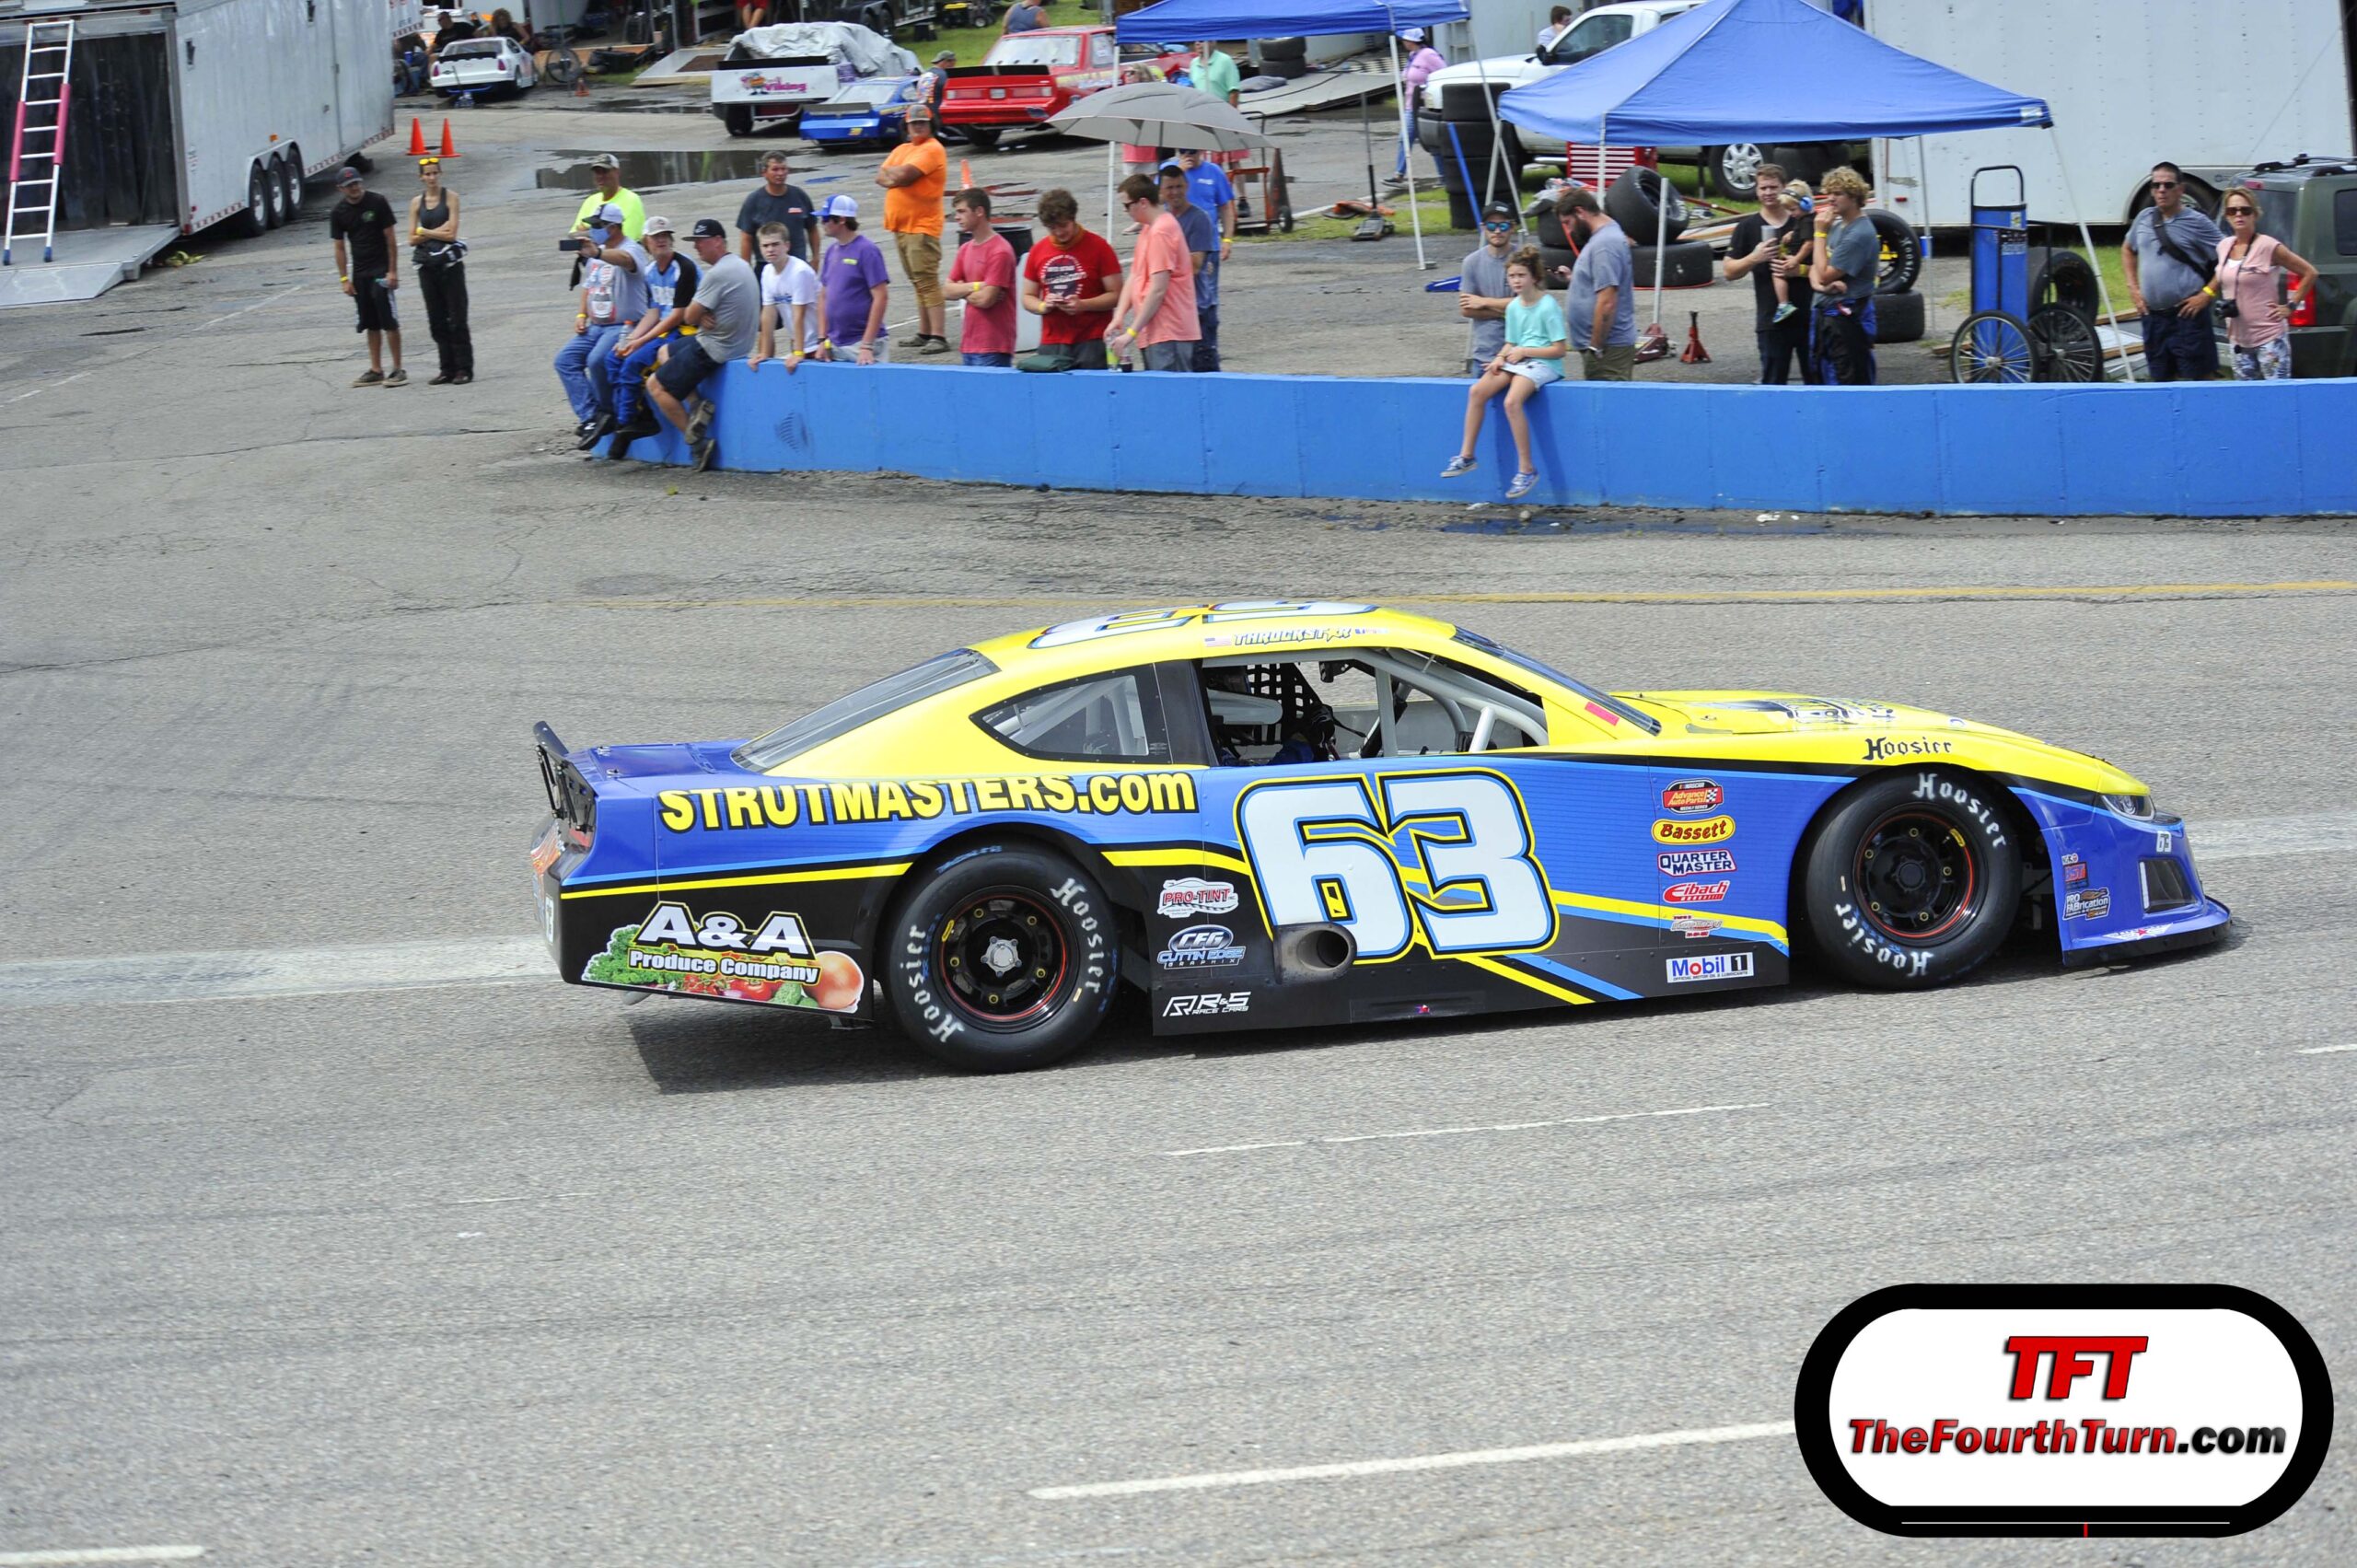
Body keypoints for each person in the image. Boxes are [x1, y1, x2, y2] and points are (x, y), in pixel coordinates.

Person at [1443, 248, 1564, 501]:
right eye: (1512, 276)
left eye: (1521, 275)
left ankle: (1527, 470)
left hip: (1543, 363)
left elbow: (1559, 350)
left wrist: (1523, 351)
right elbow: (1511, 342)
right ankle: (1467, 456)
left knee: (1512, 402)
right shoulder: (1514, 308)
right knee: (1477, 391)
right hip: (1518, 359)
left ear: (1534, 277)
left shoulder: (1548, 306)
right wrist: (1500, 357)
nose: (1516, 281)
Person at [647, 219, 759, 472]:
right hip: (734, 342)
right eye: (694, 243)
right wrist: (703, 313)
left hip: (715, 348)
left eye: (701, 241)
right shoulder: (740, 265)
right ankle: (698, 405)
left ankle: (698, 443)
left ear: (718, 240)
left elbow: (689, 317)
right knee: (665, 351)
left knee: (655, 386)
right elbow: (698, 315)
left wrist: (702, 313)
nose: (697, 247)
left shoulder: (717, 273)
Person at [601, 216, 700, 457]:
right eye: (656, 237)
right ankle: (639, 414)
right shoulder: (650, 271)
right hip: (663, 328)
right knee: (613, 359)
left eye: (665, 235)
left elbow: (676, 316)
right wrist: (630, 339)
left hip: (684, 331)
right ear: (646, 242)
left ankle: (625, 424)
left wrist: (640, 341)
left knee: (634, 362)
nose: (662, 240)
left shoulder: (683, 268)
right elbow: (654, 311)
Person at [2123, 161, 2226, 381]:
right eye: (2156, 185)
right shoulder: (2144, 218)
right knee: (2160, 383)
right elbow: (2128, 249)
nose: (2161, 190)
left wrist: (2207, 294)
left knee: (2200, 382)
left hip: (2187, 317)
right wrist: (2133, 288)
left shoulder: (2197, 222)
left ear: (2181, 189)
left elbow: (2229, 257)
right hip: (2153, 318)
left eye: (2168, 185)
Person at [556, 201, 648, 434]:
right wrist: (581, 314)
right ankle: (591, 415)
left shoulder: (631, 248)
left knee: (596, 360)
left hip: (624, 326)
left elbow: (626, 261)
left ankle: (610, 413)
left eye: (598, 225)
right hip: (596, 326)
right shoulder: (596, 249)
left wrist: (598, 252)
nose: (593, 229)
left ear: (614, 227)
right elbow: (589, 285)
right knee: (564, 361)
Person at [1723, 163, 1817, 384]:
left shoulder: (1803, 219)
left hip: (1810, 317)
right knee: (1773, 385)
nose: (1768, 192)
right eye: (1763, 188)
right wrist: (1754, 258)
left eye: (1773, 187)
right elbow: (1728, 272)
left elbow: (1828, 267)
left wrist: (1799, 270)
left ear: (1784, 188)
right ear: (1756, 190)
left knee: (1817, 382)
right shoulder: (1747, 227)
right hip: (1772, 322)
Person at [2215, 192, 2316, 381]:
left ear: (2254, 214)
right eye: (2232, 211)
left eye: (2245, 210)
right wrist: (2207, 292)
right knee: (2247, 400)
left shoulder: (2268, 246)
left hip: (2269, 338)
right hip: (2238, 340)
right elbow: (2222, 276)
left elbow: (2310, 273)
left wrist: (2290, 306)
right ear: (2227, 216)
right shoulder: (2223, 246)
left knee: (2278, 397)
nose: (2239, 215)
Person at [1019, 186, 1122, 370]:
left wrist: (1083, 305)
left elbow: (1116, 295)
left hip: (1092, 338)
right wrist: (1044, 306)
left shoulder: (1099, 247)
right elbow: (1027, 297)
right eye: (1052, 228)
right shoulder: (1038, 251)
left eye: (1063, 225)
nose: (1059, 232)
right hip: (1052, 341)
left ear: (1073, 218)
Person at [1107, 173, 1199, 371]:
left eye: (1126, 205)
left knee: (1171, 397)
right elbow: (1135, 275)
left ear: (1142, 203)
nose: (1125, 211)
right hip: (1155, 331)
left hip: (1169, 331)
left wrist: (1131, 332)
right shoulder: (1149, 229)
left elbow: (1158, 289)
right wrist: (1119, 316)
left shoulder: (1161, 232)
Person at [877, 107, 949, 354]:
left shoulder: (932, 148)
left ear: (931, 124)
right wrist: (895, 176)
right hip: (902, 227)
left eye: (923, 123)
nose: (918, 127)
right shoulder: (902, 149)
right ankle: (925, 332)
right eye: (913, 123)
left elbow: (906, 175)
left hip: (922, 226)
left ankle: (938, 336)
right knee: (917, 282)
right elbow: (880, 176)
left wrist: (895, 176)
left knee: (926, 281)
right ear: (906, 126)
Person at [328, 166, 405, 388]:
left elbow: (390, 238)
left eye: (357, 183)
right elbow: (340, 247)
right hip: (360, 273)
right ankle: (376, 369)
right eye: (350, 185)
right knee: (370, 322)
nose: (355, 188)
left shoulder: (377, 202)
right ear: (340, 188)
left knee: (388, 320)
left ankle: (398, 369)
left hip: (380, 270)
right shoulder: (338, 213)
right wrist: (344, 279)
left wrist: (393, 271)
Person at [1807, 164, 1877, 385]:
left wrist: (1819, 233)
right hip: (1825, 312)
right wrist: (1821, 287)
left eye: (1838, 193)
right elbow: (1814, 269)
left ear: (1855, 196)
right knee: (1821, 373)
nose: (1831, 199)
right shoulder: (1838, 227)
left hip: (1847, 318)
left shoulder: (1859, 233)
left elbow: (1825, 273)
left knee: (1847, 379)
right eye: (1829, 193)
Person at [1560, 184, 1636, 381]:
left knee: (1608, 408)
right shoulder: (1604, 237)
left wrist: (1596, 346)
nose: (1568, 230)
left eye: (1568, 222)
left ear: (1580, 212)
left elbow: (1608, 302)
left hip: (1608, 350)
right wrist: (1574, 279)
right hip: (1604, 348)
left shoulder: (1605, 244)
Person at [407, 156, 471, 385]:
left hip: (450, 266)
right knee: (436, 319)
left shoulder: (451, 198)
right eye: (428, 174)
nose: (432, 178)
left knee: (457, 317)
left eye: (435, 173)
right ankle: (446, 367)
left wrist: (424, 231)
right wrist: (434, 231)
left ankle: (463, 367)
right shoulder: (417, 203)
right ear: (421, 177)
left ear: (440, 174)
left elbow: (452, 234)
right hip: (427, 266)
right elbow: (411, 238)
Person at [944, 188, 1017, 366]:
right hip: (969, 344)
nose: (957, 217)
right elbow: (946, 290)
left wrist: (962, 290)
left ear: (979, 212)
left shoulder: (1000, 251)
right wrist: (979, 285)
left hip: (993, 345)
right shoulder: (965, 249)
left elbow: (986, 300)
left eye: (962, 211)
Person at [1158, 161, 1221, 371]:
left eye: (1179, 186)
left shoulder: (1199, 218)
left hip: (1198, 310)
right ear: (1161, 191)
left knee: (1205, 372)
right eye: (1169, 187)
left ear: (1187, 187)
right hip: (1173, 312)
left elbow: (1195, 265)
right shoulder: (1159, 221)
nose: (1175, 192)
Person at [816, 194, 891, 365]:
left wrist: (867, 345)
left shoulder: (867, 250)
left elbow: (881, 297)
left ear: (841, 220)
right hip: (836, 343)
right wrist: (822, 339)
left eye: (826, 219)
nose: (822, 223)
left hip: (861, 344)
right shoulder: (831, 252)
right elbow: (824, 296)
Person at [749, 219, 822, 372]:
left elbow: (799, 315)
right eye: (765, 246)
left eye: (775, 244)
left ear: (787, 246)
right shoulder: (767, 272)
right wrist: (764, 352)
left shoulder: (799, 271)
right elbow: (768, 314)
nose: (770, 249)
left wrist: (798, 352)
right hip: (800, 342)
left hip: (817, 343)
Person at [1456, 200, 1519, 377]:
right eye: (1492, 225)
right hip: (1484, 354)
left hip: (1519, 354)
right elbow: (1467, 309)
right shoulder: (1471, 262)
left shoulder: (1523, 258)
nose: (1497, 231)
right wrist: (1507, 310)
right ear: (1483, 228)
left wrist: (1483, 302)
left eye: (1503, 225)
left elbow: (1530, 304)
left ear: (1512, 227)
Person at [736, 151, 819, 269]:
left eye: (783, 169)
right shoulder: (754, 201)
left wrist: (816, 259)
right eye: (775, 169)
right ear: (764, 172)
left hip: (797, 265)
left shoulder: (799, 195)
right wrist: (746, 269)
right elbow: (746, 238)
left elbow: (812, 229)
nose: (780, 173)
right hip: (766, 266)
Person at [1392, 30, 1445, 183]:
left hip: (1425, 105)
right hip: (1410, 105)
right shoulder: (1412, 56)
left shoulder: (1429, 55)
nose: (1403, 41)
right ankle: (1398, 174)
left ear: (1412, 41)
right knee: (1406, 138)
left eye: (1405, 39)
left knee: (1431, 142)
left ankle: (1444, 177)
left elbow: (1443, 73)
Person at [1173, 146, 1235, 261]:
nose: (1187, 155)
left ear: (1201, 151)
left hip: (1208, 245)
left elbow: (1226, 208)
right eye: (1182, 151)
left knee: (1206, 279)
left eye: (1191, 151)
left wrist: (1227, 240)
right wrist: (1178, 174)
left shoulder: (1214, 171)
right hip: (1176, 243)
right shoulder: (1169, 170)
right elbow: (1158, 200)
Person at [570, 153, 645, 242]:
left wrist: (588, 231)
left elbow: (624, 240)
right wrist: (606, 233)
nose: (600, 176)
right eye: (597, 172)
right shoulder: (590, 201)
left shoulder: (632, 200)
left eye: (605, 171)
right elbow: (573, 236)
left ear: (617, 172)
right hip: (592, 255)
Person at [1119, 64, 1164, 188]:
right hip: (1130, 149)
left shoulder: (1151, 95)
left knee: (1149, 187)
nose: (1127, 76)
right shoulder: (1122, 95)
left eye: (1131, 72)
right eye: (1126, 73)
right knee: (1132, 188)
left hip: (1148, 150)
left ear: (1141, 74)